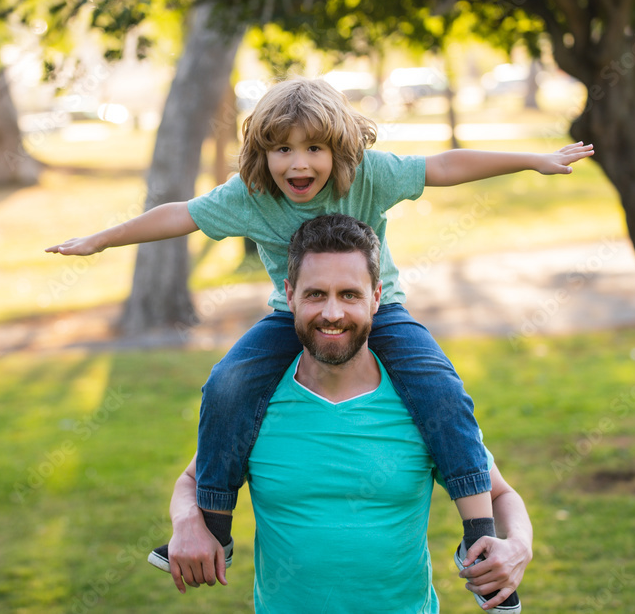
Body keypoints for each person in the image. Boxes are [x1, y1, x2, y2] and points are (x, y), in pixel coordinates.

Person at [45, 77, 589, 591]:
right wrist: (99, 240)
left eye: (313, 149)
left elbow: (445, 165)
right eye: (282, 149)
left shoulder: (370, 175)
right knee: (228, 383)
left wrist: (532, 161)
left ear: (340, 151)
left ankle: (479, 536)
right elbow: (179, 216)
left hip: (382, 311)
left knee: (441, 388)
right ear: (263, 156)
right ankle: (214, 526)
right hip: (291, 314)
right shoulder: (250, 197)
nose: (298, 163)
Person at [166, 214, 533, 612]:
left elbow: (499, 492)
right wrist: (187, 522)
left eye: (349, 295)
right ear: (289, 296)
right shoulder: (253, 405)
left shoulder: (424, 403)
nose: (333, 313)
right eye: (316, 294)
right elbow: (192, 480)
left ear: (377, 296)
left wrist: (518, 546)